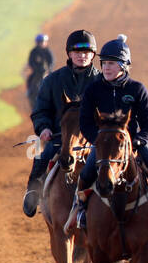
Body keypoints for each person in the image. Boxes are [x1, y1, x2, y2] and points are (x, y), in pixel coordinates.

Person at [67, 35, 148, 231]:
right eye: (104, 63)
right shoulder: (93, 90)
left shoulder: (137, 89)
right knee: (86, 174)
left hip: (132, 145)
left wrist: (139, 142)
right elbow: (85, 122)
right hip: (103, 147)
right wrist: (98, 141)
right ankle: (81, 209)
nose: (106, 68)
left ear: (124, 66)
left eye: (112, 64)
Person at [23, 29, 100, 217]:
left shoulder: (102, 81)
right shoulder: (52, 81)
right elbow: (40, 110)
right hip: (60, 137)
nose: (82, 56)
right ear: (69, 54)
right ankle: (33, 192)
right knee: (42, 156)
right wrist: (44, 128)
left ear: (93, 54)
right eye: (77, 52)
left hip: (94, 139)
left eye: (86, 52)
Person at [25, 32, 53, 103]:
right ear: (37, 43)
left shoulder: (48, 51)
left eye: (43, 42)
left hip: (46, 71)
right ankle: (29, 92)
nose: (42, 43)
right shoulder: (33, 51)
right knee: (30, 79)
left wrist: (48, 69)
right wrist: (35, 69)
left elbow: (51, 61)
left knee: (55, 79)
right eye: (40, 42)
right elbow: (31, 61)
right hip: (37, 71)